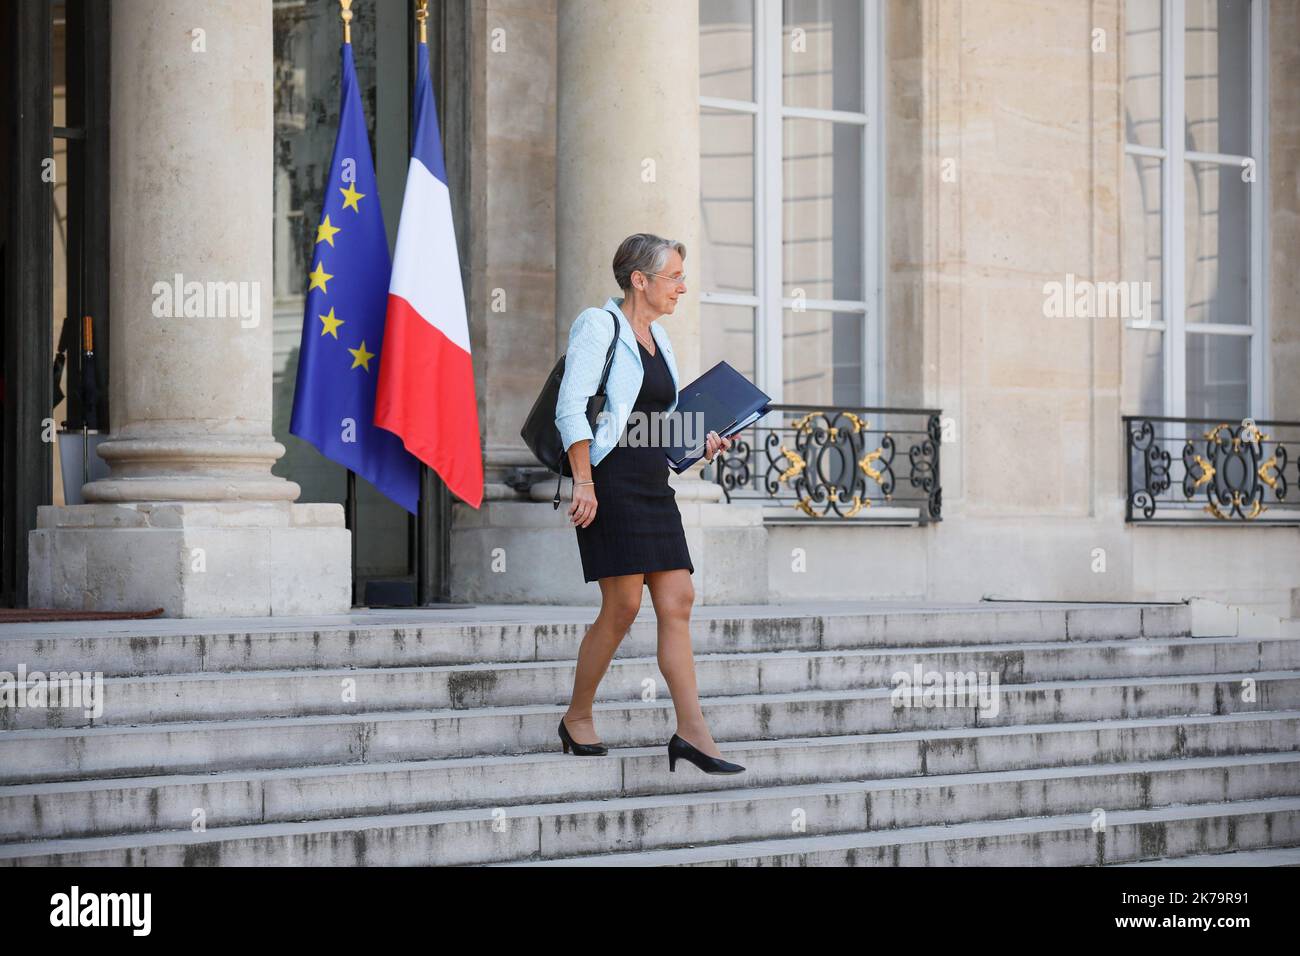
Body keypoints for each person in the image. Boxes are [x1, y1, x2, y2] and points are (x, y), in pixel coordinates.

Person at [552, 232, 744, 775]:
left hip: (653, 484)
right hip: (609, 481)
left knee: (678, 598)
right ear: (640, 280)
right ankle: (578, 715)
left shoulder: (661, 340)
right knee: (622, 607)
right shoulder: (599, 325)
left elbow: (661, 425)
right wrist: (583, 482)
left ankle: (692, 731)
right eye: (674, 277)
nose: (682, 287)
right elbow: (573, 410)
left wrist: (701, 443)